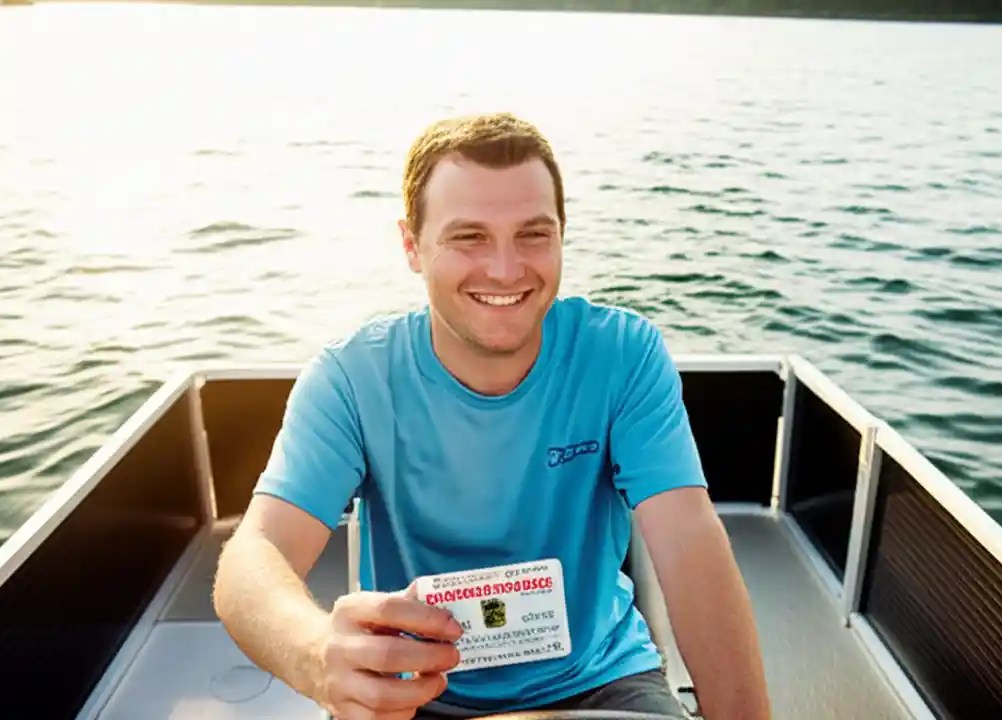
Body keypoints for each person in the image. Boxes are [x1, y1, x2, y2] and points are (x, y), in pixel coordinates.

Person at [213, 112, 771, 720]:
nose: (506, 270)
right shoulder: (352, 379)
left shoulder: (623, 356)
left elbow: (689, 541)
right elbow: (256, 553)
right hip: (410, 690)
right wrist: (317, 653)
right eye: (468, 237)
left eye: (533, 234)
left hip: (602, 678)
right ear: (412, 246)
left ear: (563, 234)